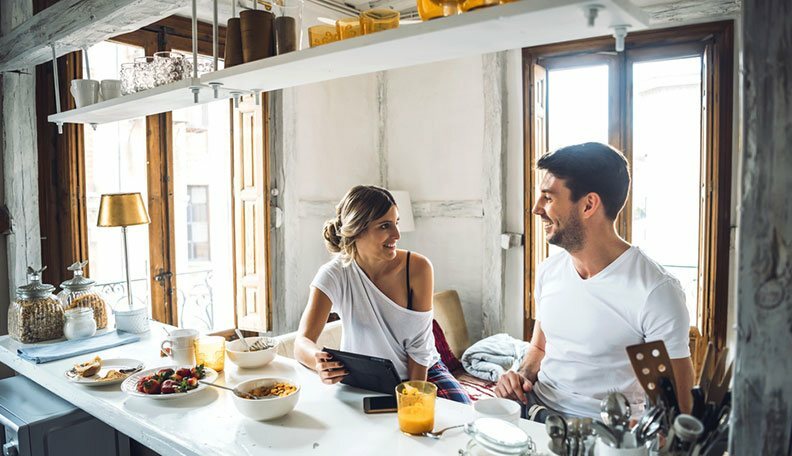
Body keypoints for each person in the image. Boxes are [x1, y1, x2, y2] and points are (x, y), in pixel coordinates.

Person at [495, 142, 694, 421]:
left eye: (548, 198)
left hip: (603, 433)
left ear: (589, 204)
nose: (536, 209)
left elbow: (675, 406)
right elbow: (540, 348)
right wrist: (519, 375)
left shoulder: (654, 292)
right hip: (535, 414)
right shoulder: (549, 272)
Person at [294, 185, 471, 404]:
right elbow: (302, 342)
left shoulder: (417, 269)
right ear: (357, 230)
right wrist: (318, 362)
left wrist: (412, 399)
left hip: (425, 371)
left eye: (396, 223)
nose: (396, 234)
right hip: (365, 378)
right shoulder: (334, 274)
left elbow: (420, 346)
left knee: (463, 417)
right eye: (385, 226)